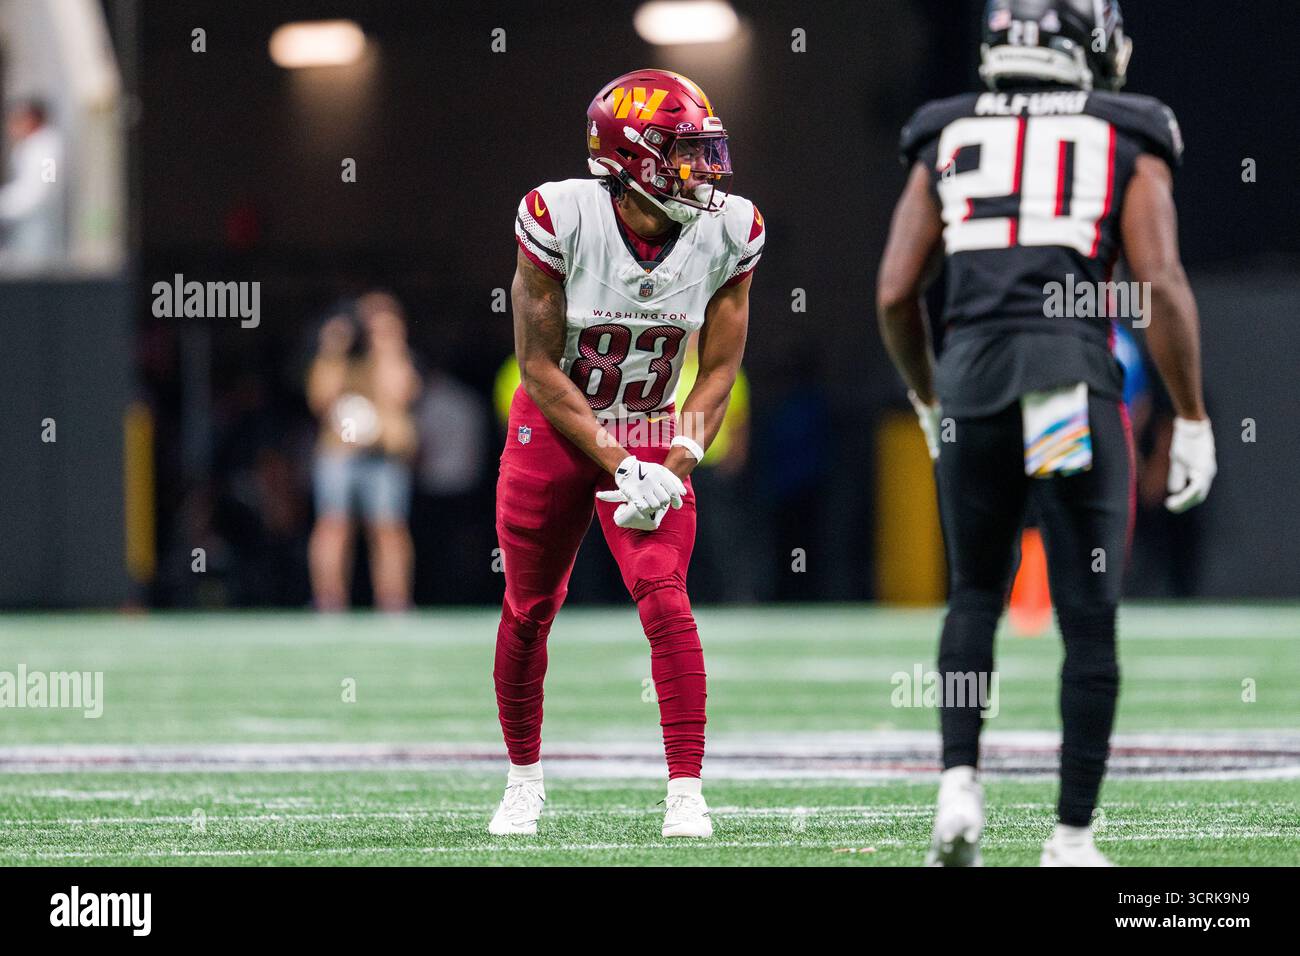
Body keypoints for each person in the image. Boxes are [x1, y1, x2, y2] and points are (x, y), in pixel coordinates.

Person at [877, 0, 1216, 866]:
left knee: (976, 595)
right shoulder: (1129, 127)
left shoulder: (944, 126)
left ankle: (958, 783)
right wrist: (1192, 414)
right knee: (1087, 616)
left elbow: (893, 293)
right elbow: (1162, 282)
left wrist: (928, 395)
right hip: (1064, 383)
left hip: (973, 384)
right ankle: (1070, 835)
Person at [489, 69, 763, 839]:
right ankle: (523, 778)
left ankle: (685, 792)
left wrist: (676, 457)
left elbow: (716, 370)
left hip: (650, 429)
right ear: (632, 160)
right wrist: (617, 462)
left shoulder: (733, 230)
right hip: (554, 430)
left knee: (665, 594)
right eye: (685, 153)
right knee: (530, 608)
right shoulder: (560, 216)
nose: (705, 170)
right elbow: (540, 365)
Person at [306, 292, 421, 612]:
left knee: (389, 529)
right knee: (333, 525)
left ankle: (394, 602)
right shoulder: (338, 356)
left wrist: (388, 344)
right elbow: (320, 400)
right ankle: (328, 602)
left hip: (385, 457)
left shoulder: (396, 357)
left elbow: (400, 394)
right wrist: (332, 348)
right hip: (339, 455)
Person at [0, 99, 65, 268]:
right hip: (25, 222)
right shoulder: (32, 146)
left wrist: (7, 205)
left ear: (30, 119)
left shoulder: (48, 148)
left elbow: (44, 189)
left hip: (39, 225)